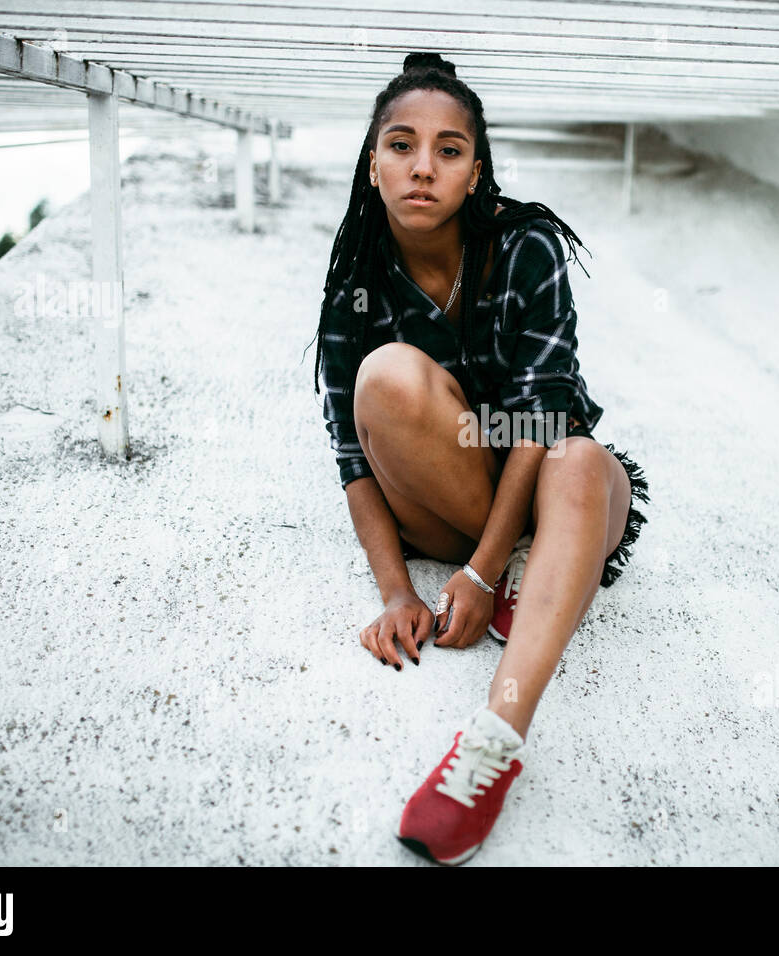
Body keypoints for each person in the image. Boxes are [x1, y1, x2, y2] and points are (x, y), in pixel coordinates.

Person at [307, 51, 650, 865]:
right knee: (383, 375)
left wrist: (481, 573)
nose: (422, 166)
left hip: (560, 500)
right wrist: (396, 591)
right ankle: (527, 566)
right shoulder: (356, 279)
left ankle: (492, 742)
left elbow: (541, 416)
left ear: (474, 171)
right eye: (400, 144)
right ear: (373, 161)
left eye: (448, 149)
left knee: (574, 455)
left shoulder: (525, 245)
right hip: (446, 507)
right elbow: (354, 460)